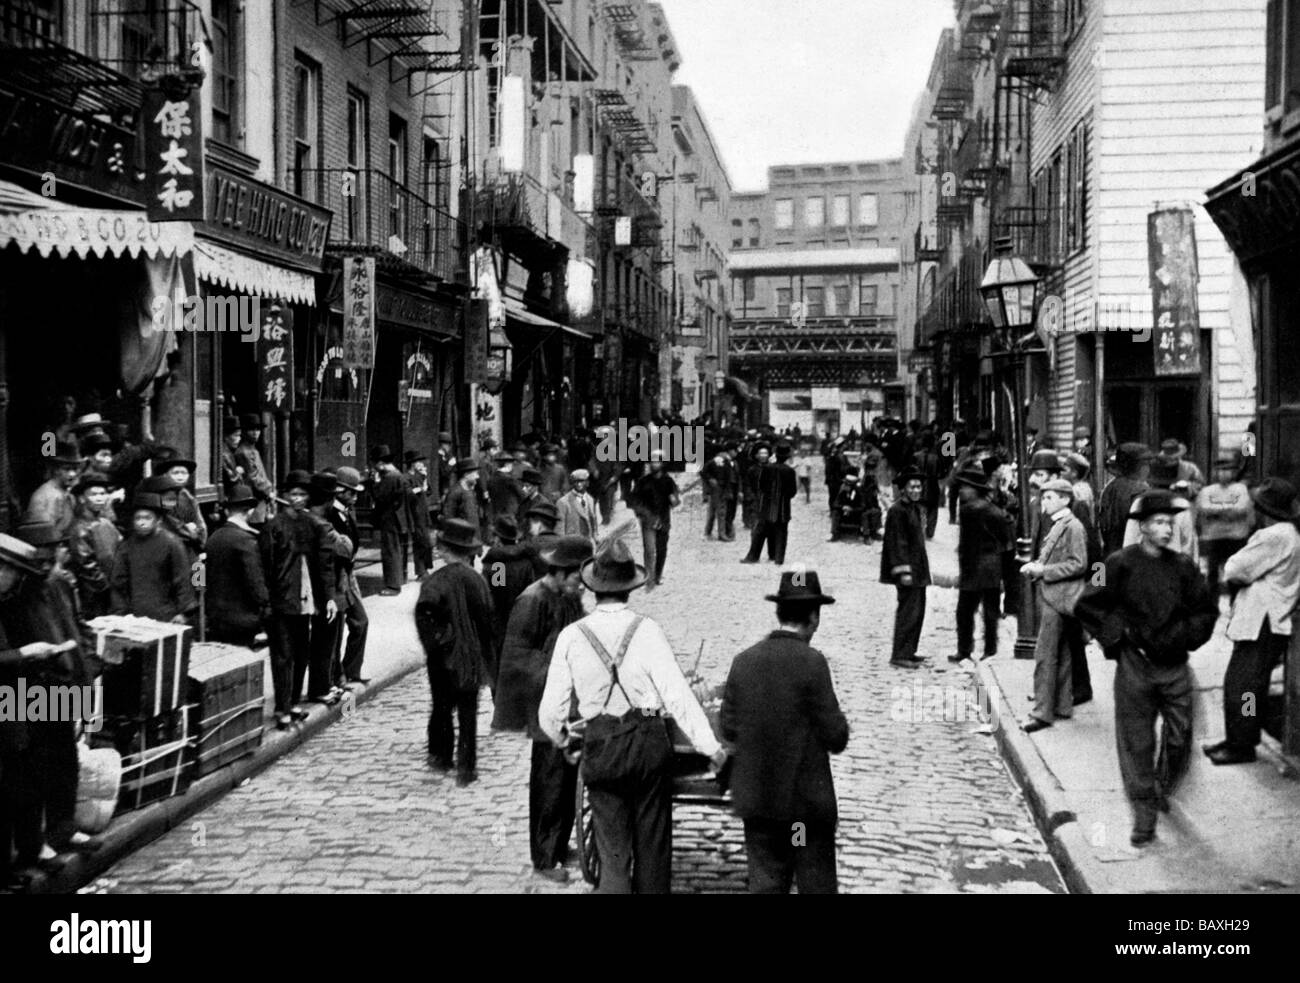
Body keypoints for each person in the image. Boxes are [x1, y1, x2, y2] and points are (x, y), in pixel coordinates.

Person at [538, 540, 724, 894]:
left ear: (594, 588)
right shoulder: (647, 630)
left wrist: (564, 742)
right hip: (648, 745)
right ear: (629, 588)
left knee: (613, 854)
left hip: (601, 745)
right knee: (653, 847)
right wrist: (710, 747)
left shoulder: (571, 637)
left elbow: (550, 714)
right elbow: (677, 697)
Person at [1074, 490, 1219, 846]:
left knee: (1180, 734)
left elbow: (1205, 611)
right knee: (1136, 742)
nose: (1167, 530)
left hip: (1174, 667)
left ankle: (1161, 785)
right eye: (1159, 522)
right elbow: (1088, 605)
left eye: (1170, 523)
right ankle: (1144, 814)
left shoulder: (1183, 567)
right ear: (1143, 528)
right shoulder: (1117, 563)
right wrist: (1118, 637)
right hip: (1135, 666)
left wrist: (1184, 636)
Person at [720, 568, 847, 894]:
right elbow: (836, 736)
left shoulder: (743, 661)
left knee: (767, 884)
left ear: (779, 612)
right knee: (812, 881)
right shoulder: (812, 662)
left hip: (759, 808)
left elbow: (728, 728)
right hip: (800, 816)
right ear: (814, 617)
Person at [492, 535, 594, 883]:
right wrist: (558, 669)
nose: (582, 587)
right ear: (562, 572)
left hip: (570, 704)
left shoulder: (566, 597)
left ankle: (561, 843)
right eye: (579, 579)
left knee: (567, 779)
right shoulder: (531, 601)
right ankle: (544, 857)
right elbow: (517, 658)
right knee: (549, 781)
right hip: (546, 705)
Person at [0, 533, 82, 891]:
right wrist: (25, 655)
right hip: (18, 693)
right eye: (12, 572)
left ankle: (34, 848)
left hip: (29, 692)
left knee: (27, 776)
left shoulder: (49, 588)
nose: (16, 578)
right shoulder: (14, 600)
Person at [1203, 479, 1300, 765]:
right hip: (1266, 618)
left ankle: (1242, 744)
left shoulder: (1273, 535)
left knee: (1244, 687)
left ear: (1265, 509)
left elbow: (1234, 569)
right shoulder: (1288, 534)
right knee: (1246, 685)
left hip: (1263, 620)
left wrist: (1240, 566)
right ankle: (1238, 738)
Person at [415, 519, 495, 785]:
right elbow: (486, 621)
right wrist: (486, 653)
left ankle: (441, 756)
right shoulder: (478, 580)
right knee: (468, 712)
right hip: (471, 657)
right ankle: (467, 767)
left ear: (443, 550)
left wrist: (437, 649)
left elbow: (425, 621)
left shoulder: (434, 582)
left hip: (442, 659)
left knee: (441, 707)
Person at [261, 471, 339, 730]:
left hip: (307, 596)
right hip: (282, 597)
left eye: (302, 494)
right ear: (285, 495)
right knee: (283, 654)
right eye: (293, 494)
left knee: (301, 651)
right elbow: (266, 566)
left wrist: (328, 598)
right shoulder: (274, 526)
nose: (297, 499)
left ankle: (294, 701)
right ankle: (282, 707)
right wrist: (267, 601)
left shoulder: (315, 525)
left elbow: (326, 565)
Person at [1020, 479, 1089, 731]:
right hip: (1055, 596)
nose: (1044, 502)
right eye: (1044, 497)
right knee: (1061, 655)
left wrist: (1042, 570)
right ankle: (1060, 706)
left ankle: (1042, 713)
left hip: (1060, 598)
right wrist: (1035, 567)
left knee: (1045, 656)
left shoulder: (1073, 527)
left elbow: (1078, 563)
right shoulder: (1061, 524)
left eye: (1049, 497)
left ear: (1065, 499)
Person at [949, 467, 1009, 664]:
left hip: (974, 566)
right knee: (990, 612)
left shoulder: (968, 510)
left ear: (974, 489)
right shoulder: (996, 512)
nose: (962, 491)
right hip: (991, 566)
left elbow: (965, 544)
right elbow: (1005, 540)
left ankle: (964, 649)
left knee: (965, 612)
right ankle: (990, 650)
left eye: (965, 488)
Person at [109, 492, 198, 624]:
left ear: (158, 520)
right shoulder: (127, 545)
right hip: (135, 613)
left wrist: (184, 613)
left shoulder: (172, 543)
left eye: (147, 518)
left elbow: (183, 579)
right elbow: (119, 581)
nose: (141, 523)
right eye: (137, 518)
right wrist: (121, 613)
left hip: (167, 613)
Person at [204, 485, 269, 647]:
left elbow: (198, 576)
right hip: (243, 620)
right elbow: (256, 584)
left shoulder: (213, 538)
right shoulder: (247, 541)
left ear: (227, 511)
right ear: (249, 511)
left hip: (215, 618)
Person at [881, 466, 930, 668]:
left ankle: (910, 650)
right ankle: (899, 654)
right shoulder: (897, 511)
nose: (916, 491)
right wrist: (904, 571)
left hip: (918, 568)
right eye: (912, 487)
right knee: (907, 613)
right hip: (907, 570)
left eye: (919, 487)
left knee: (918, 612)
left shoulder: (915, 508)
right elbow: (897, 543)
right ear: (903, 489)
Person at [325, 468, 370, 686]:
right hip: (336, 577)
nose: (355, 497)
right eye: (351, 492)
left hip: (349, 575)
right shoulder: (329, 515)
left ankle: (352, 670)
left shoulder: (348, 512)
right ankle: (336, 675)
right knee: (336, 629)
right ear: (339, 491)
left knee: (360, 621)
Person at [480, 515, 535, 691]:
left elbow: (498, 595)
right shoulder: (526, 561)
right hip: (525, 624)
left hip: (502, 627)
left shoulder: (498, 564)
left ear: (498, 538)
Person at [1196, 457, 1253, 601]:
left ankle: (1236, 601)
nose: (1224, 474)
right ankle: (1211, 603)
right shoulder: (1207, 490)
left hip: (1237, 537)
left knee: (1235, 571)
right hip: (1213, 537)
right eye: (1220, 470)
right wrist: (1229, 511)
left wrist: (1216, 512)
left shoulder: (1241, 489)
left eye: (1227, 470)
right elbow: (1203, 508)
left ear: (1233, 473)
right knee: (1212, 571)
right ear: (1215, 472)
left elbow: (1242, 508)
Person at [68, 471, 120, 620]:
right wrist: (106, 587)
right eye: (94, 494)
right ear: (82, 498)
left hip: (114, 589)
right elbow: (87, 565)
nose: (99, 498)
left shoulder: (107, 523)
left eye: (103, 494)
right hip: (94, 595)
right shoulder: (79, 528)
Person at [629, 450, 679, 588]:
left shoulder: (668, 481)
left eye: (657, 461)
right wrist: (643, 513)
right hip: (648, 520)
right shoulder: (643, 481)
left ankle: (657, 575)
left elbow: (675, 500)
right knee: (650, 550)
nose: (653, 464)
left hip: (663, 519)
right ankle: (649, 577)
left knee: (661, 549)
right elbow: (634, 501)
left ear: (662, 463)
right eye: (651, 461)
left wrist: (674, 500)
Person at [742, 443, 797, 565]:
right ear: (787, 456)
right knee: (781, 533)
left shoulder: (767, 468)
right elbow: (793, 492)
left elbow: (760, 486)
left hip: (765, 506)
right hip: (783, 508)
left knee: (760, 532)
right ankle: (778, 558)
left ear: (775, 455)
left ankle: (753, 557)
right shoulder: (790, 471)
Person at [1098, 443, 1151, 557]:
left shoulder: (1110, 487)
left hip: (1111, 554)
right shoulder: (1141, 490)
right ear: (1136, 466)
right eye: (1145, 464)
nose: (1148, 469)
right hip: (1132, 557)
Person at [370, 445, 410, 595]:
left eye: (375, 463)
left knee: (390, 551)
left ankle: (393, 585)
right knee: (395, 550)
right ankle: (398, 580)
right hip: (397, 518)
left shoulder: (389, 477)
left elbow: (380, 497)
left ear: (380, 463)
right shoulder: (399, 475)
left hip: (389, 518)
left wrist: (375, 482)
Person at [153, 453, 206, 561]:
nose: (180, 477)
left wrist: (197, 533)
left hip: (192, 551)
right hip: (169, 553)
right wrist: (190, 529)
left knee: (199, 575)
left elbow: (202, 529)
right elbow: (171, 525)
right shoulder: (161, 497)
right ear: (166, 475)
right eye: (176, 473)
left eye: (184, 473)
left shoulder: (189, 498)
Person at [24, 441, 81, 540]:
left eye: (75, 469)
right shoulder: (46, 495)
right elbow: (45, 533)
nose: (72, 474)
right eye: (66, 469)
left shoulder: (68, 494)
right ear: (56, 470)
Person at [236, 413, 276, 523]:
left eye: (257, 430)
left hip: (260, 499)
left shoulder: (253, 450)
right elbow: (254, 478)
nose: (255, 433)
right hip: (254, 499)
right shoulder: (243, 452)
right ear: (244, 432)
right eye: (251, 430)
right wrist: (268, 491)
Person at [405, 451, 434, 580]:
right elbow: (408, 494)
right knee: (421, 542)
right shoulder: (406, 477)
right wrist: (419, 489)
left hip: (423, 513)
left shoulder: (418, 477)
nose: (421, 464)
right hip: (415, 514)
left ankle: (424, 569)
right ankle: (421, 571)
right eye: (418, 462)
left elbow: (428, 491)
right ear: (412, 464)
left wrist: (425, 477)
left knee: (425, 543)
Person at [910, 431, 944, 539]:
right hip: (932, 486)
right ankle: (930, 532)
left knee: (917, 507)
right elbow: (940, 473)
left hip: (918, 485)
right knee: (933, 509)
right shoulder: (936, 458)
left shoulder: (916, 456)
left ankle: (918, 529)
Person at [557, 469, 599, 545]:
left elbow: (593, 519)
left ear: (587, 483)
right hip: (572, 545)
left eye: (582, 481)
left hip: (588, 543)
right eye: (576, 482)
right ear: (572, 484)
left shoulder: (590, 499)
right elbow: (560, 529)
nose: (579, 484)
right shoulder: (563, 502)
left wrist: (595, 536)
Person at [442, 459, 482, 536]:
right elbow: (449, 517)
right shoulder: (455, 492)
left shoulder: (470, 490)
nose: (477, 476)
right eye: (475, 473)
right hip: (463, 537)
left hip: (474, 535)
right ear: (466, 474)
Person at [828, 470, 866, 542]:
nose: (844, 486)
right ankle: (835, 534)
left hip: (855, 514)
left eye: (847, 484)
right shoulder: (843, 492)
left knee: (864, 514)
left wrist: (852, 509)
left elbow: (863, 506)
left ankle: (866, 535)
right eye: (845, 484)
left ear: (852, 486)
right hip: (844, 513)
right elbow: (835, 504)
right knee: (835, 512)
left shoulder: (859, 493)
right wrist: (843, 507)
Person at [741, 443, 770, 530]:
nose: (763, 456)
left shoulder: (771, 468)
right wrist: (750, 495)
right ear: (756, 456)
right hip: (755, 496)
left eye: (765, 454)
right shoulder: (752, 469)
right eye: (761, 454)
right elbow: (748, 484)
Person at [515, 467, 548, 532]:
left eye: (527, 486)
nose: (523, 489)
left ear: (535, 487)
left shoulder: (543, 503)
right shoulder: (523, 502)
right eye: (523, 486)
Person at [219, 416, 244, 498]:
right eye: (236, 436)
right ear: (226, 437)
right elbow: (229, 478)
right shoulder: (223, 453)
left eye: (240, 436)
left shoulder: (229, 452)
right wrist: (238, 472)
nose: (239, 439)